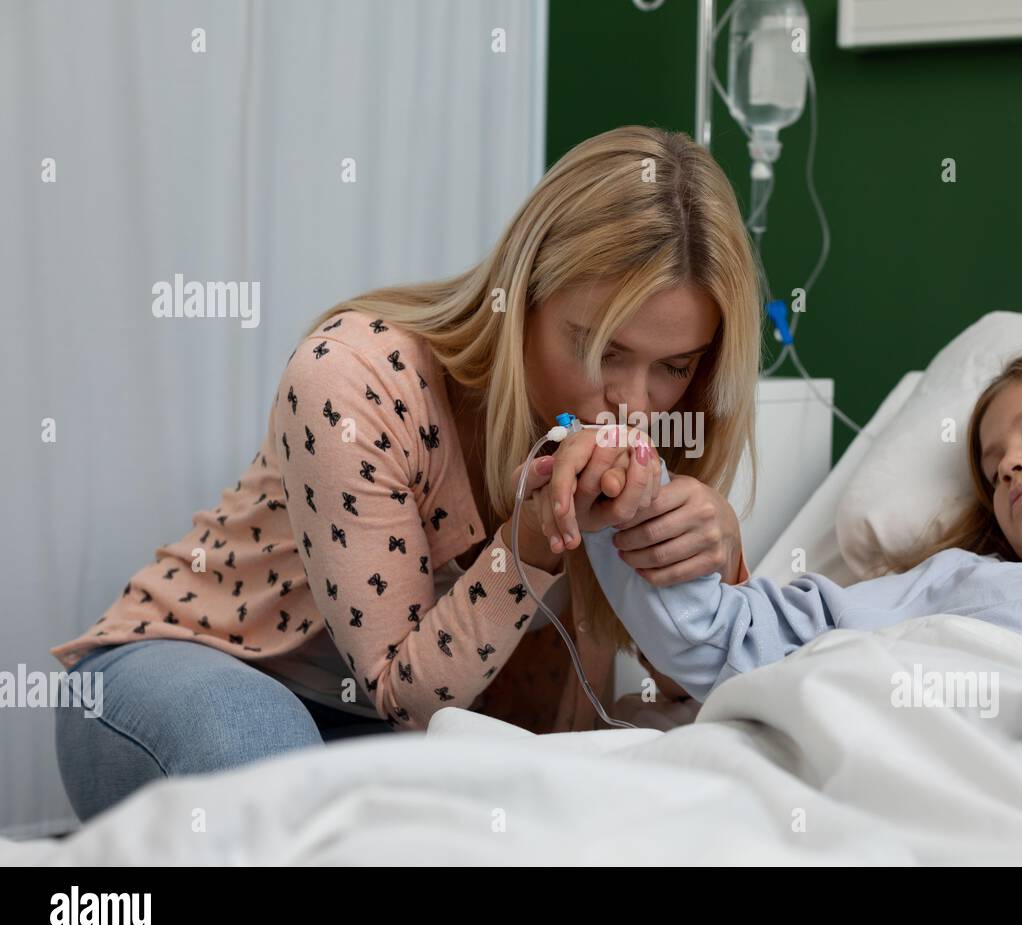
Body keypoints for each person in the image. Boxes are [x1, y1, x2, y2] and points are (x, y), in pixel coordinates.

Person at [52, 125, 765, 822]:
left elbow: (694, 691)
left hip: (385, 745)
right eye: (604, 347)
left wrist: (712, 559)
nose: (633, 401)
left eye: (673, 367)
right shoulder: (355, 379)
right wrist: (530, 542)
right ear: (524, 295)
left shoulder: (658, 430)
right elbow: (406, 699)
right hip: (208, 671)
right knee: (273, 771)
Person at [574, 347, 1022, 745]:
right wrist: (638, 500)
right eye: (990, 466)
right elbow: (734, 642)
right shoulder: (951, 581)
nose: (1010, 463)